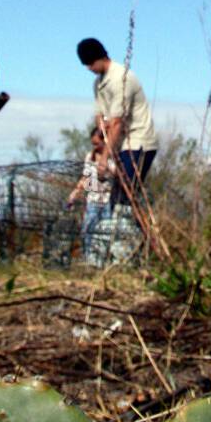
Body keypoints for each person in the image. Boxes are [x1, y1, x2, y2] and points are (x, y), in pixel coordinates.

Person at [76, 38, 157, 231]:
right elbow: (101, 116)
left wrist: (104, 159)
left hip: (139, 141)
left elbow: (117, 122)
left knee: (125, 195)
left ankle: (142, 240)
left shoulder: (121, 78)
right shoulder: (98, 83)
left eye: (90, 63)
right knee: (118, 198)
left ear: (100, 57)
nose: (89, 68)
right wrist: (102, 128)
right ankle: (126, 241)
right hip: (120, 145)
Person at [66, 128, 114, 263]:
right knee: (88, 230)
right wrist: (75, 193)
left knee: (105, 232)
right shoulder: (90, 157)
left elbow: (118, 175)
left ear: (105, 142)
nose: (94, 146)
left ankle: (103, 260)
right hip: (93, 200)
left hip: (107, 201)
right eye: (93, 143)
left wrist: (106, 168)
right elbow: (85, 177)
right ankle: (88, 258)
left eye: (97, 143)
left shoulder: (112, 158)